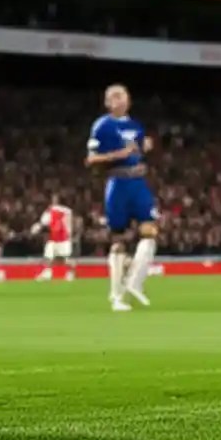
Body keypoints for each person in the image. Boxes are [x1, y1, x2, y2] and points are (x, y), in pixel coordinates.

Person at [86, 84, 158, 312]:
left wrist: (144, 147)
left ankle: (135, 282)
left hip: (138, 182)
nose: (120, 100)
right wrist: (118, 155)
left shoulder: (136, 125)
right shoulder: (102, 126)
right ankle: (117, 296)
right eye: (114, 97)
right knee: (119, 239)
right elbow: (91, 160)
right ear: (107, 103)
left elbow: (136, 152)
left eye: (123, 96)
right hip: (117, 184)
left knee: (150, 231)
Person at [31, 197, 76, 281]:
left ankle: (71, 271)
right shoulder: (55, 211)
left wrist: (36, 228)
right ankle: (47, 273)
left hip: (63, 238)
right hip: (54, 238)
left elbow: (43, 223)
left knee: (61, 259)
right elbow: (43, 223)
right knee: (48, 256)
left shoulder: (61, 211)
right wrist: (37, 227)